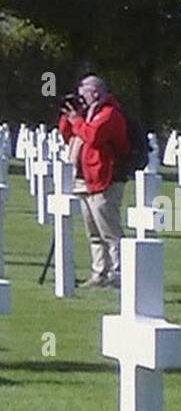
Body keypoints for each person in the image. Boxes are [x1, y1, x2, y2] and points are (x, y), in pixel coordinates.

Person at [56, 75, 128, 288]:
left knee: (110, 231)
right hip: (86, 179)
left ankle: (120, 273)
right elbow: (68, 135)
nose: (80, 97)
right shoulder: (87, 114)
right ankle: (99, 272)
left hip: (105, 179)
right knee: (94, 233)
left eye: (83, 92)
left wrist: (77, 119)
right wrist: (67, 114)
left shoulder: (109, 113)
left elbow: (93, 136)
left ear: (95, 92)